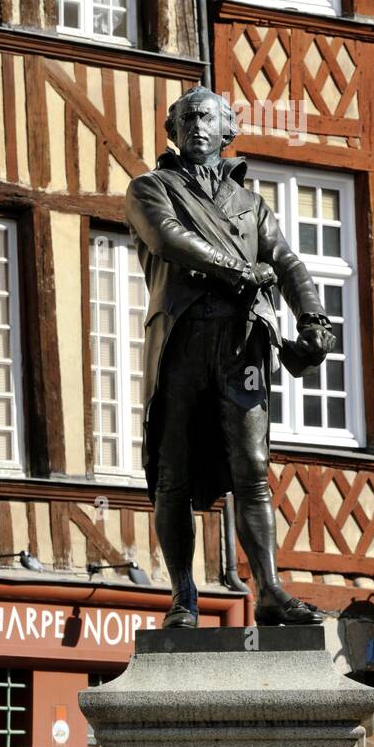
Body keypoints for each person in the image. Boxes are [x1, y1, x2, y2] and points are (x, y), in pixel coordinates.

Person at [125, 86, 338, 627]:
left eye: (208, 117)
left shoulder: (250, 204)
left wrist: (313, 319)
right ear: (172, 133)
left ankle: (268, 590)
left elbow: (286, 261)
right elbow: (169, 239)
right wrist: (239, 272)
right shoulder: (151, 188)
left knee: (253, 469)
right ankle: (183, 596)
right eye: (186, 118)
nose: (197, 124)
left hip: (243, 343)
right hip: (180, 342)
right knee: (170, 471)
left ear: (228, 132)